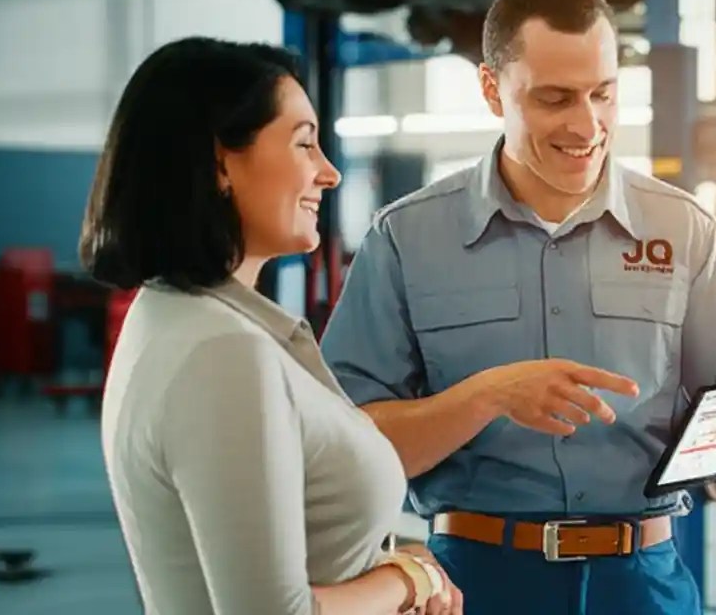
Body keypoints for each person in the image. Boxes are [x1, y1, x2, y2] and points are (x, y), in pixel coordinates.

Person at [321, 0, 716, 615]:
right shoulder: (406, 239)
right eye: (555, 98)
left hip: (643, 585)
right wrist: (486, 396)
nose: (587, 124)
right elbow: (350, 451)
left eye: (604, 94)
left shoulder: (683, 230)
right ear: (492, 89)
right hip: (474, 586)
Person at [82, 36, 462, 615]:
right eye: (304, 143)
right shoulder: (222, 351)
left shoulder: (175, 316)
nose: (329, 173)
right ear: (220, 163)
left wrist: (385, 563)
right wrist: (410, 579)